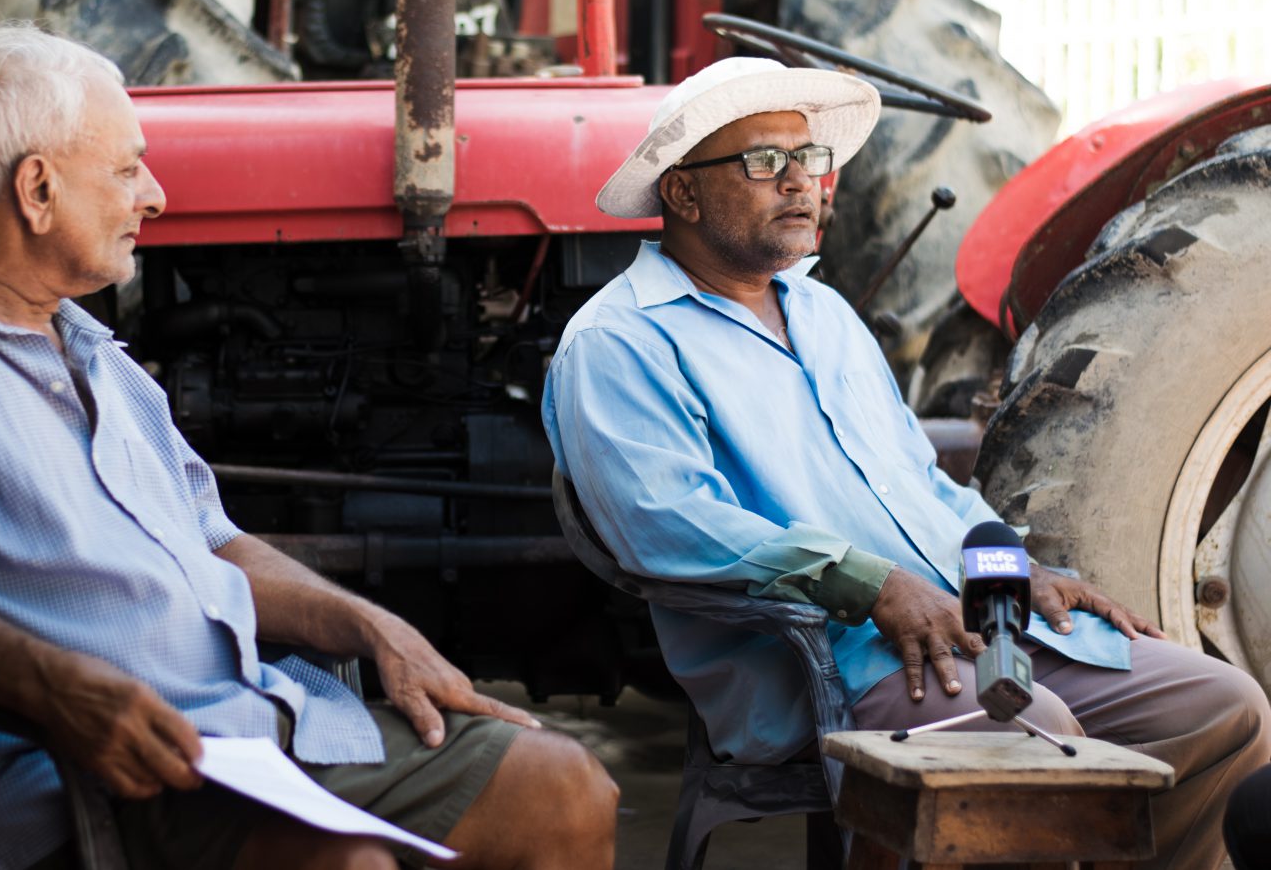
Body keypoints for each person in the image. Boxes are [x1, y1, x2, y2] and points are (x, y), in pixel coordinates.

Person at [0, 23, 618, 870]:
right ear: (37, 189)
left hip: (253, 726)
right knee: (342, 863)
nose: (155, 196)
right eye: (128, 169)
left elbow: (215, 544)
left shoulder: (100, 358)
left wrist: (374, 625)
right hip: (82, 768)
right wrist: (61, 691)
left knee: (568, 790)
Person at [541, 57, 1270, 870]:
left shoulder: (822, 312)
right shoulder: (619, 342)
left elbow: (923, 487)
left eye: (809, 160)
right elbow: (667, 525)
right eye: (764, 162)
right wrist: (871, 584)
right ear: (681, 193)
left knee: (1224, 706)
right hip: (824, 662)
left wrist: (1009, 566)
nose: (799, 183)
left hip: (971, 624)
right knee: (1034, 746)